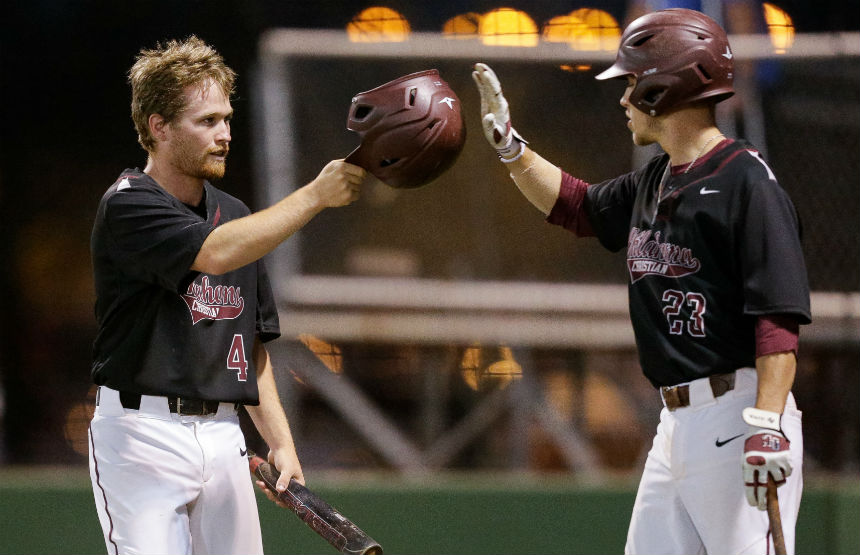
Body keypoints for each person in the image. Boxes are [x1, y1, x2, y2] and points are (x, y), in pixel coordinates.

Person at [472, 8, 810, 555]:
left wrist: (767, 424)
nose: (623, 98)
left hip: (738, 417)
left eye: (632, 82)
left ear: (663, 87)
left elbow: (777, 322)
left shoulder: (748, 182)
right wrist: (511, 148)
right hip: (676, 424)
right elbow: (577, 206)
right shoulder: (658, 175)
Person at [88, 35, 369, 555]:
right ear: (158, 127)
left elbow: (250, 350)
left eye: (227, 118)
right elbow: (213, 254)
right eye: (207, 121)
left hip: (223, 435)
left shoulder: (237, 217)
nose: (225, 135)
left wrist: (281, 441)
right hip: (142, 433)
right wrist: (314, 196)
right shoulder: (128, 205)